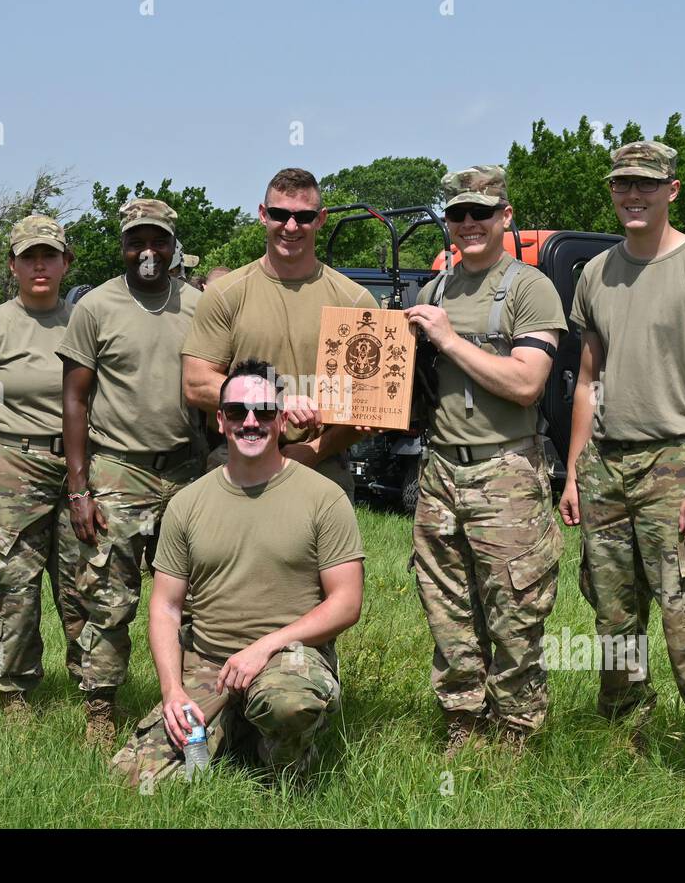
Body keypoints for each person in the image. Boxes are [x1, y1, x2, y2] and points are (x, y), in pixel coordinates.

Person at [558, 141, 685, 773]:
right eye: (622, 185)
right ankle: (624, 728)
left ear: (673, 189)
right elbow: (588, 380)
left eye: (645, 184)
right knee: (613, 613)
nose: (632, 195)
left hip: (677, 460)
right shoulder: (596, 273)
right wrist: (573, 471)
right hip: (605, 467)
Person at [111, 359, 364, 786]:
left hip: (289, 657)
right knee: (135, 778)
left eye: (264, 412)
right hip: (210, 661)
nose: (251, 422)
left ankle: (285, 762)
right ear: (221, 422)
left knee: (287, 705)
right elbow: (166, 608)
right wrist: (172, 690)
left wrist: (265, 647)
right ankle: (235, 725)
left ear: (282, 421)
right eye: (237, 413)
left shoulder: (324, 497)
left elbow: (347, 603)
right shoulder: (187, 504)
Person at [403, 165, 566, 757]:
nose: (468, 224)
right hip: (441, 467)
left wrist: (447, 339)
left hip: (505, 473)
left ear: (505, 217)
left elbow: (527, 383)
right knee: (446, 604)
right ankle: (463, 722)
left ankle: (516, 730)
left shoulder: (528, 288)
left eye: (480, 213)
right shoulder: (433, 292)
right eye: (457, 214)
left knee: (513, 608)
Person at [56, 199, 203, 748]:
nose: (148, 251)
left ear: (172, 244)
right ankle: (100, 708)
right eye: (136, 241)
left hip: (188, 472)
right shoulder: (95, 307)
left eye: (158, 241)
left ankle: (191, 702)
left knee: (192, 597)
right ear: (122, 245)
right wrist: (79, 487)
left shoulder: (200, 304)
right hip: (118, 469)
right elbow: (74, 399)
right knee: (108, 595)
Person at [0, 214, 81, 717]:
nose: (40, 265)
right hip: (13, 469)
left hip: (77, 469)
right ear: (13, 265)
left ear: (66, 262)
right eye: (29, 257)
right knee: (12, 587)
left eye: (50, 255)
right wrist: (2, 447)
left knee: (83, 585)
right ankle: (15, 696)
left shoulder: (85, 323)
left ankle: (94, 695)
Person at [181, 167, 377, 496]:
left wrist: (314, 450)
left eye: (303, 217)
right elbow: (196, 384)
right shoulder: (226, 294)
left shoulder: (356, 301)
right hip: (238, 460)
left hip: (322, 466)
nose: (290, 226)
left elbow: (367, 406)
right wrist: (275, 402)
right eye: (279, 214)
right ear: (262, 214)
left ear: (321, 219)